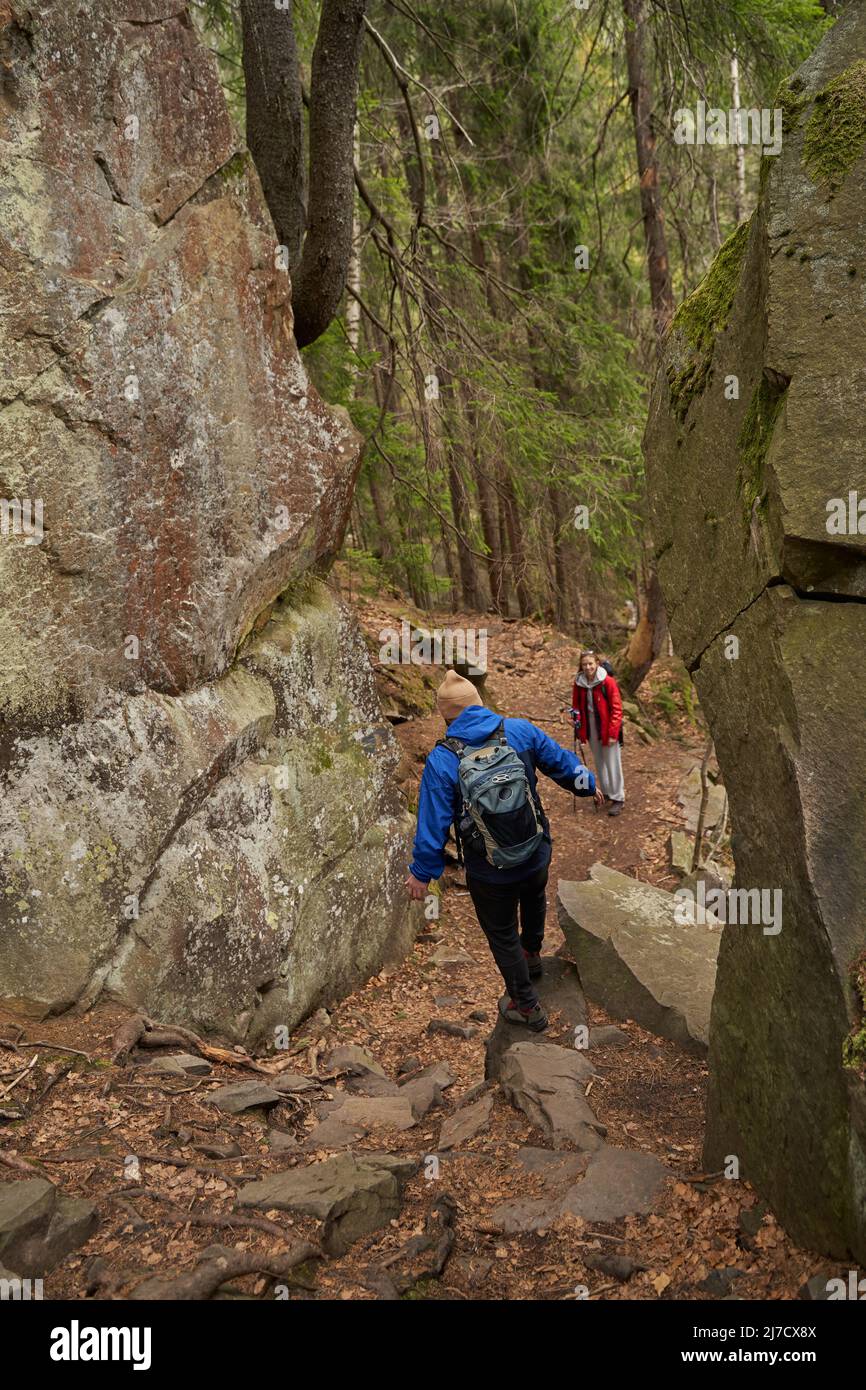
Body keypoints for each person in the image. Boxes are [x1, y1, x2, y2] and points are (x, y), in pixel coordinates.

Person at [404, 670, 602, 1032]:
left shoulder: (443, 760)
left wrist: (422, 874)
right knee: (533, 895)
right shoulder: (520, 731)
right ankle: (533, 955)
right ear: (480, 705)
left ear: (446, 716)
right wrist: (588, 785)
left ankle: (526, 1006)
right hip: (535, 850)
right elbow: (561, 763)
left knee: (501, 932)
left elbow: (432, 825)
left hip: (489, 868)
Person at [570, 649, 625, 817]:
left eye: (590, 664)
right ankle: (607, 792)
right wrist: (576, 724)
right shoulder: (579, 683)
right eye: (584, 664)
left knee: (612, 761)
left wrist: (613, 733)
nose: (588, 667)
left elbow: (617, 709)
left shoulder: (607, 682)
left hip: (607, 726)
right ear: (581, 666)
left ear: (597, 664)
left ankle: (618, 797)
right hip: (590, 725)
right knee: (599, 761)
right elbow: (576, 707)